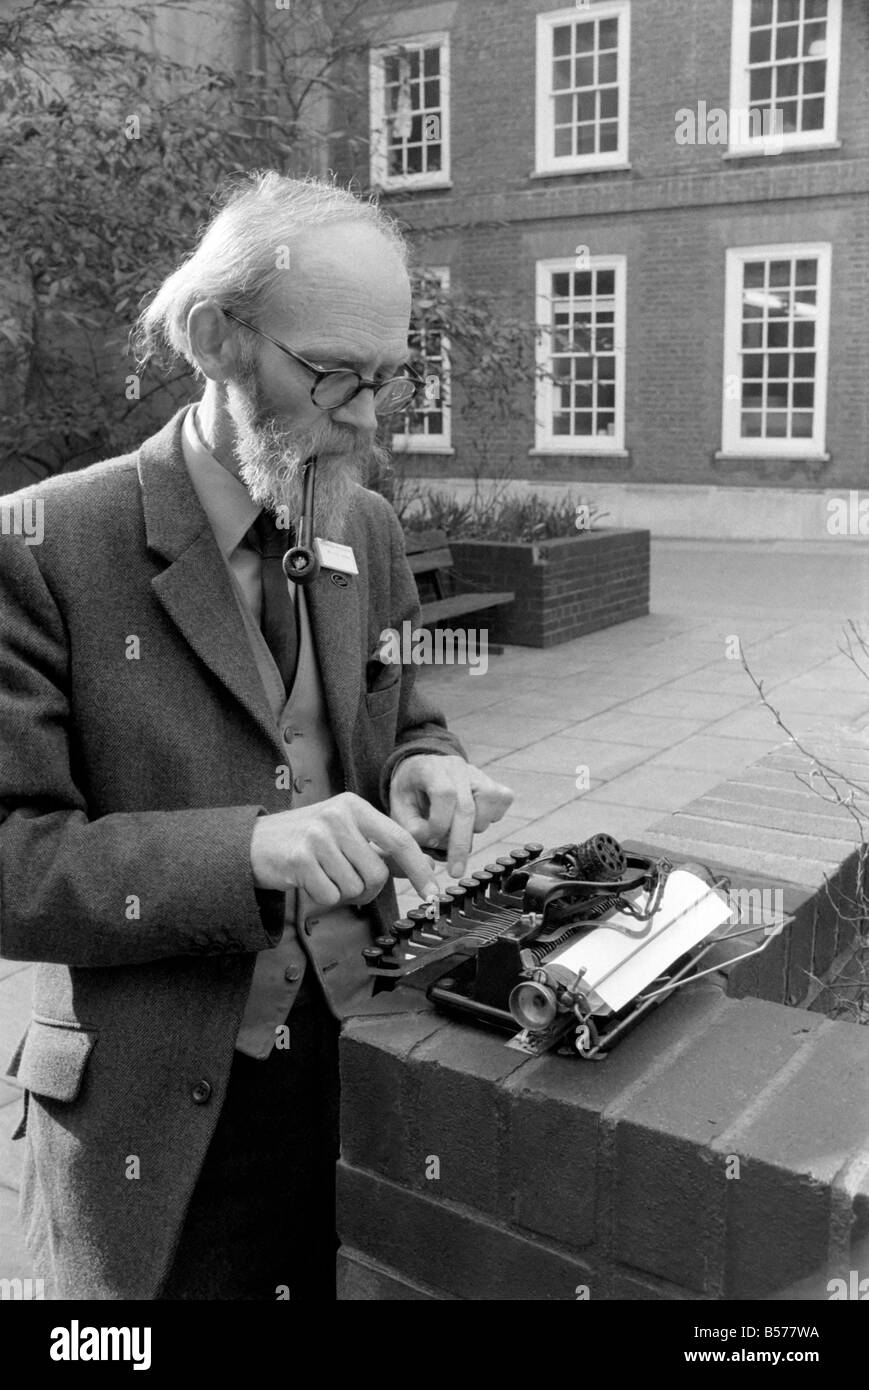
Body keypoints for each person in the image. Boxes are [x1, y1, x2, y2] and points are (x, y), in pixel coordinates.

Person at [0, 172, 513, 1300]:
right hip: (155, 1110)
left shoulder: (361, 523)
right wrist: (247, 851)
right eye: (335, 376)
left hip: (359, 1048)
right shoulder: (40, 547)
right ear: (213, 337)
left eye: (387, 379)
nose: (370, 418)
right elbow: (12, 859)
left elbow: (395, 705)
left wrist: (427, 761)